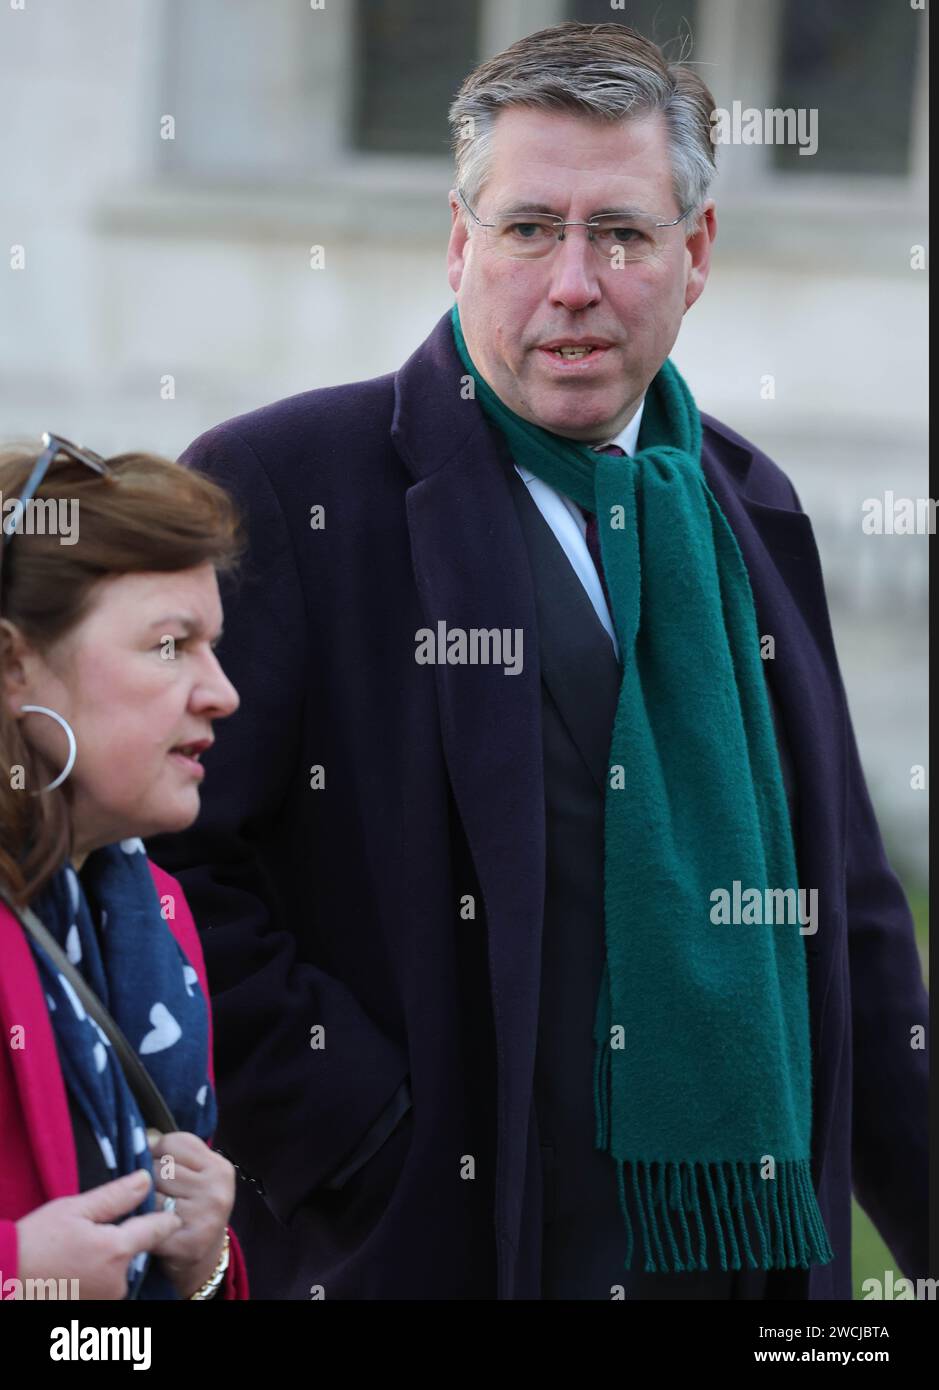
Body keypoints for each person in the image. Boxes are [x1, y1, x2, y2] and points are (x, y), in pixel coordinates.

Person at [148, 22, 928, 1300]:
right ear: (461, 243)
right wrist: (357, 1136)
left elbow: (847, 910)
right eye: (528, 229)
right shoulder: (286, 488)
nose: (573, 281)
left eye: (621, 233)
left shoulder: (751, 507)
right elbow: (167, 862)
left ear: (697, 253)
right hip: (446, 1251)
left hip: (749, 1263)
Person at [0, 434, 249, 1300]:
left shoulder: (153, 906)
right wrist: (16, 1272)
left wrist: (205, 1261)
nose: (222, 692)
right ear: (11, 666)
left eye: (213, 645)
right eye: (171, 645)